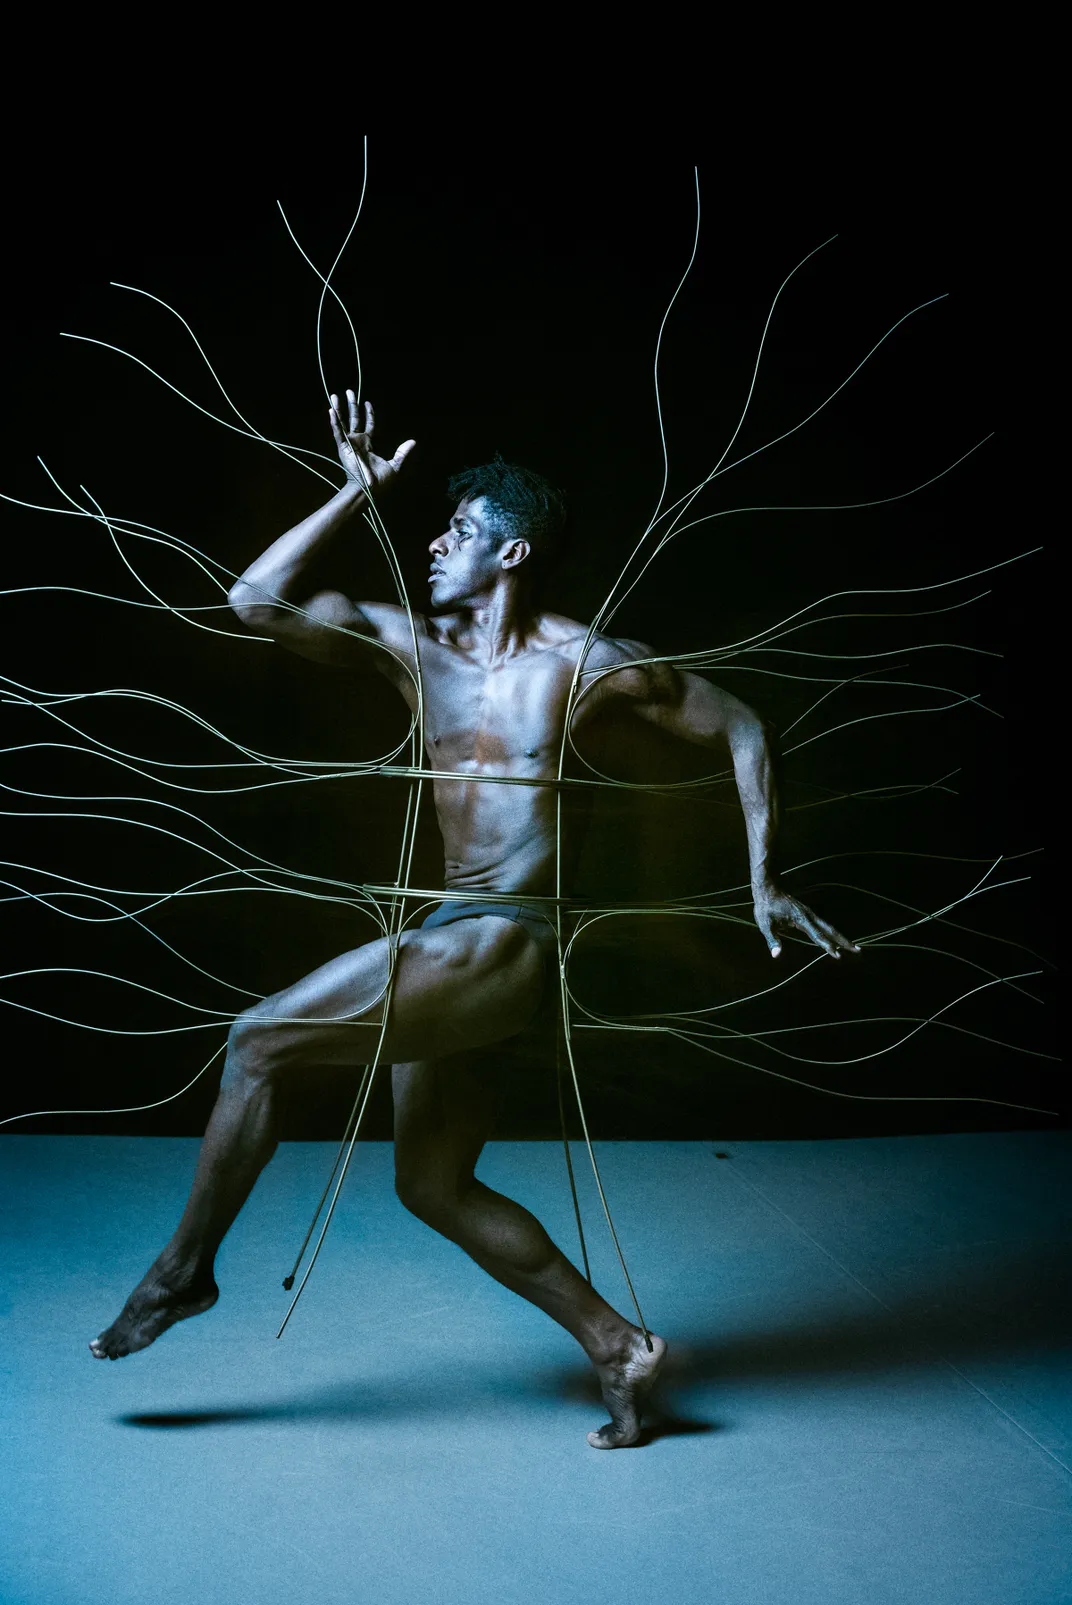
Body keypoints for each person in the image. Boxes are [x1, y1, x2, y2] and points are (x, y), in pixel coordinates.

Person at [90, 393, 857, 1448]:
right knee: (433, 1184)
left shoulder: (583, 663)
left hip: (503, 943)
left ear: (513, 552)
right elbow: (254, 601)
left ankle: (183, 1272)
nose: (435, 545)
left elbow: (742, 724)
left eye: (458, 531)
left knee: (256, 1039)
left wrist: (764, 877)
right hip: (452, 929)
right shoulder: (414, 647)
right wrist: (353, 491)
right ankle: (620, 1346)